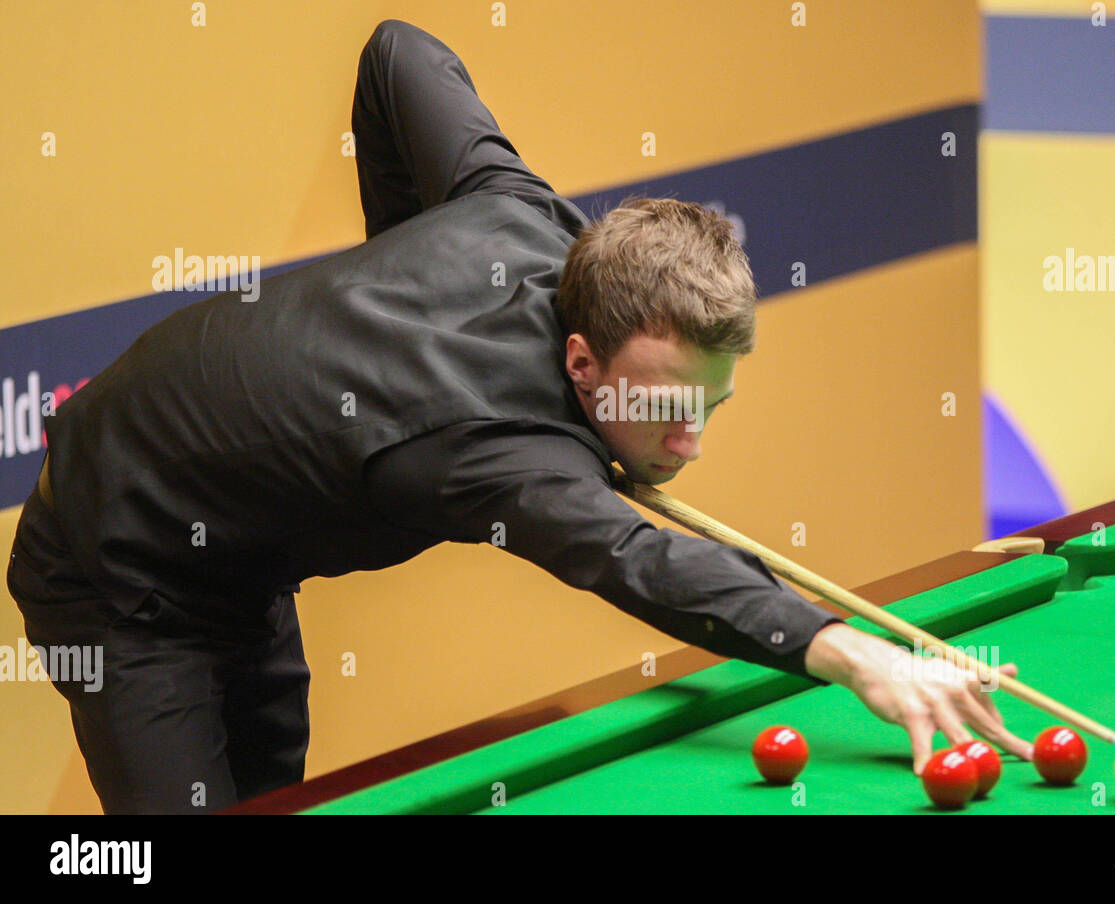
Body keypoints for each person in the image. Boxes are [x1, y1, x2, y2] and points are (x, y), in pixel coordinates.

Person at [7, 19, 1032, 814]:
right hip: (120, 566)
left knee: (275, 795)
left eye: (710, 407)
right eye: (664, 410)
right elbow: (640, 559)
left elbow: (398, 51)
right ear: (581, 357)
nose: (690, 444)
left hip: (236, 535)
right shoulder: (494, 454)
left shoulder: (518, 213)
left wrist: (406, 255)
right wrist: (852, 650)